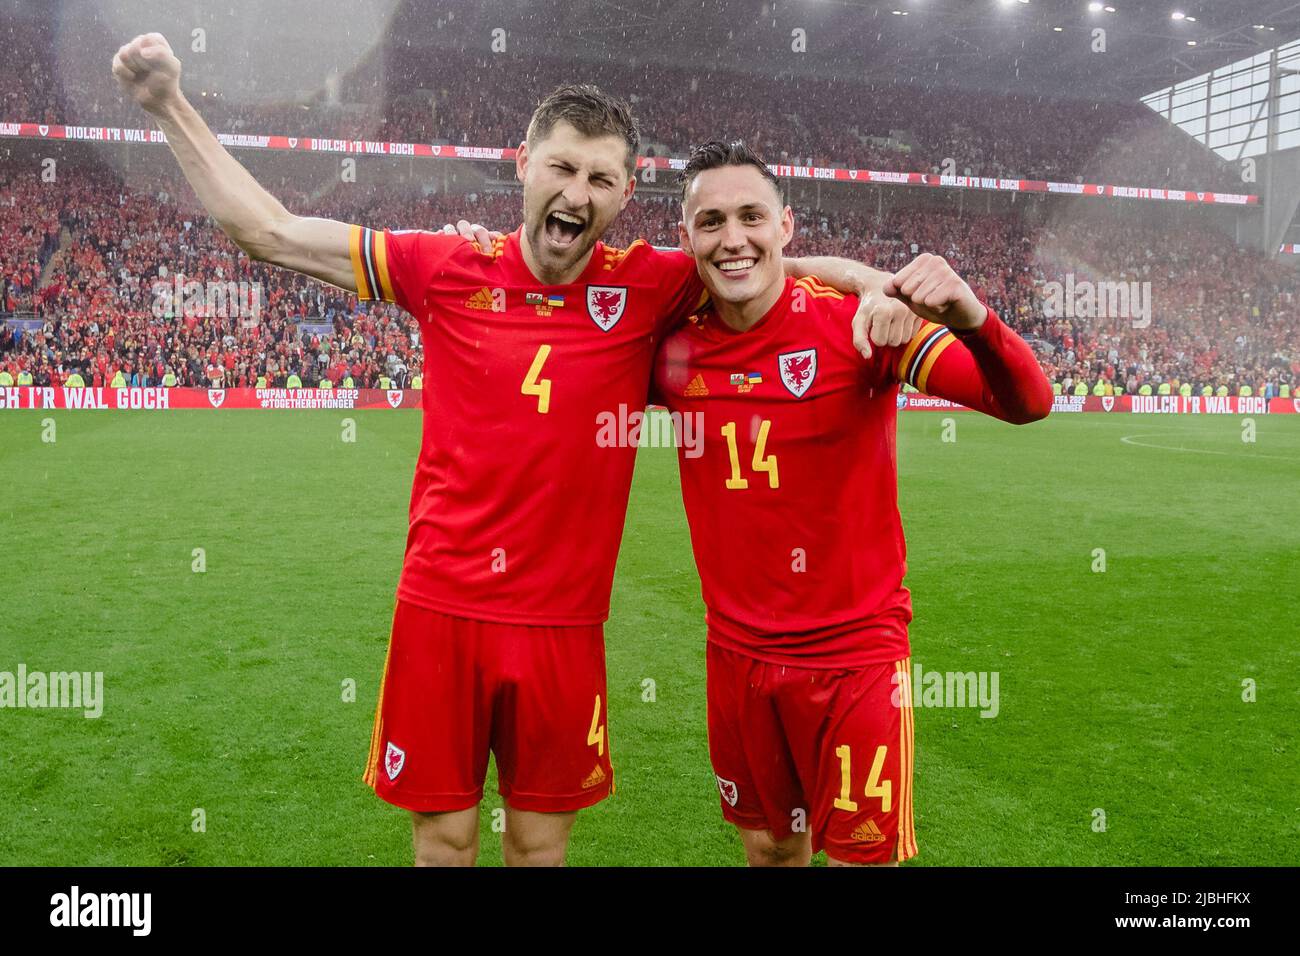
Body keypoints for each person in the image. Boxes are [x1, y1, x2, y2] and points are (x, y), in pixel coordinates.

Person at [112, 32, 909, 867]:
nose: (577, 191)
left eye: (600, 178)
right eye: (561, 168)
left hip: (563, 625)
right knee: (445, 844)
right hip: (442, 610)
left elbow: (750, 260)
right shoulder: (445, 266)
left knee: (536, 850)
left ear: (626, 192)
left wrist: (863, 279)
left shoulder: (651, 284)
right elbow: (269, 231)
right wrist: (169, 104)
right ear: (521, 163)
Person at [652, 141, 1053, 866]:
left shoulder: (861, 327)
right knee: (772, 852)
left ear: (787, 226)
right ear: (685, 239)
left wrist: (969, 312)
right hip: (737, 656)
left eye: (752, 217)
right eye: (711, 222)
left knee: (858, 859)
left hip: (854, 657)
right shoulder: (671, 345)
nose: (733, 238)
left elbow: (1026, 401)